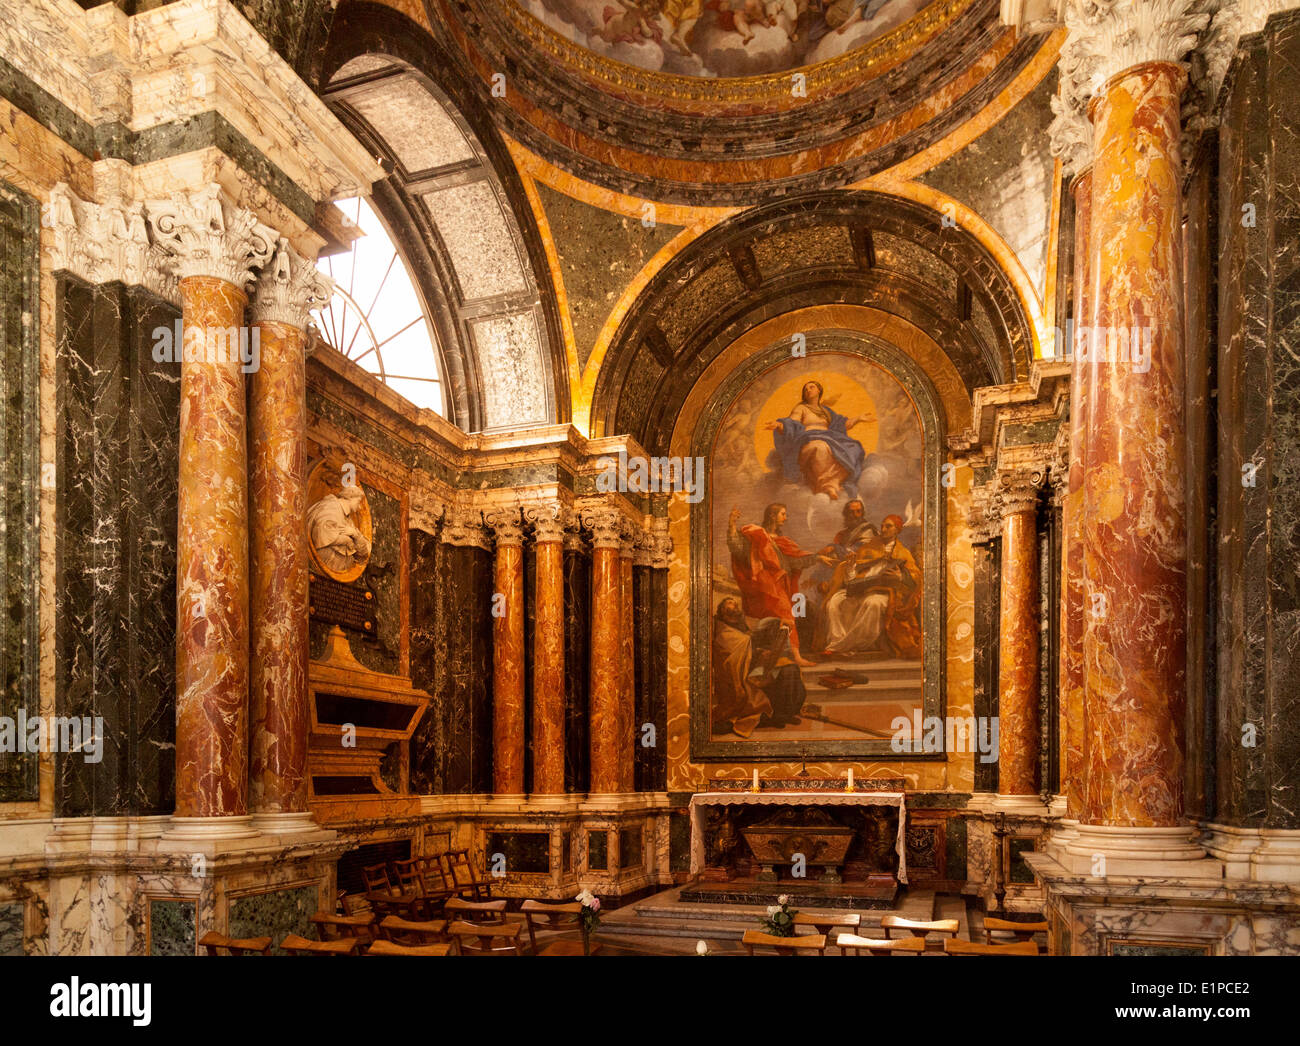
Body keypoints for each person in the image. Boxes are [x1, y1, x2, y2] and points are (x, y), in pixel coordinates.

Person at [728, 503, 832, 666]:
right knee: (785, 616)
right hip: (766, 586)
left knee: (785, 618)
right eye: (783, 514)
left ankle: (784, 656)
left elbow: (794, 560)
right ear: (772, 515)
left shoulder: (782, 541)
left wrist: (817, 558)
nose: (786, 517)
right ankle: (794, 657)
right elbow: (737, 548)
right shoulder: (756, 535)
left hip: (780, 585)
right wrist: (732, 525)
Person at [817, 514, 921, 658]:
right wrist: (851, 567)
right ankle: (837, 640)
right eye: (882, 526)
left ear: (897, 530)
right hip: (860, 589)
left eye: (888, 526)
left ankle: (844, 646)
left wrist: (900, 577)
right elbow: (851, 577)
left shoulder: (903, 553)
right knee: (834, 601)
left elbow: (915, 578)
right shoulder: (868, 548)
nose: (883, 529)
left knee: (873, 603)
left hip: (885, 593)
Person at [711, 598, 808, 737]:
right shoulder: (723, 630)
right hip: (742, 676)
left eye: (735, 605)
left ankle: (785, 714)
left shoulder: (743, 622)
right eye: (729, 605)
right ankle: (773, 717)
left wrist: (779, 623)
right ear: (722, 612)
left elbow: (758, 631)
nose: (734, 607)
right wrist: (759, 653)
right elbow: (730, 653)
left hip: (756, 666)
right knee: (772, 678)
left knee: (789, 670)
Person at [763, 380, 872, 500]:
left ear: (819, 390)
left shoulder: (826, 411)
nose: (808, 390)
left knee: (853, 448)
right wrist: (779, 425)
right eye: (805, 389)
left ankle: (834, 483)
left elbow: (841, 424)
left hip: (829, 437)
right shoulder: (801, 408)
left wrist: (859, 418)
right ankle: (825, 485)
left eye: (811, 387)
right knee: (820, 447)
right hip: (808, 439)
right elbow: (792, 423)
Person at [307, 484, 371, 575]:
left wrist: (355, 534)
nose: (359, 507)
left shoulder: (348, 521)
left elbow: (364, 554)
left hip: (336, 572)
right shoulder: (330, 508)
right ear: (351, 497)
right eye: (358, 501)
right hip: (323, 566)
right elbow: (321, 535)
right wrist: (349, 541)